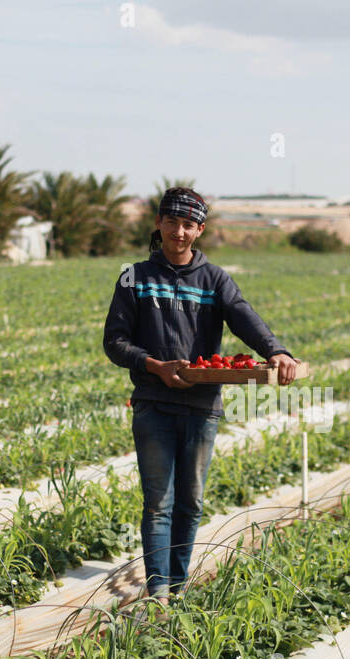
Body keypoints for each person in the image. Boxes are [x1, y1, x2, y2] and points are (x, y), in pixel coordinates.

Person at [103, 187, 299, 605]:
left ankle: (178, 583)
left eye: (188, 224)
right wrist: (156, 366)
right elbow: (115, 342)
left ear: (200, 230)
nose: (179, 232)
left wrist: (276, 351)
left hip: (202, 406)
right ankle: (158, 592)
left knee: (190, 502)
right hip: (153, 404)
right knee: (159, 501)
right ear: (158, 223)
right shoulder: (134, 277)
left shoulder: (215, 280)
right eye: (171, 222)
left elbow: (244, 317)